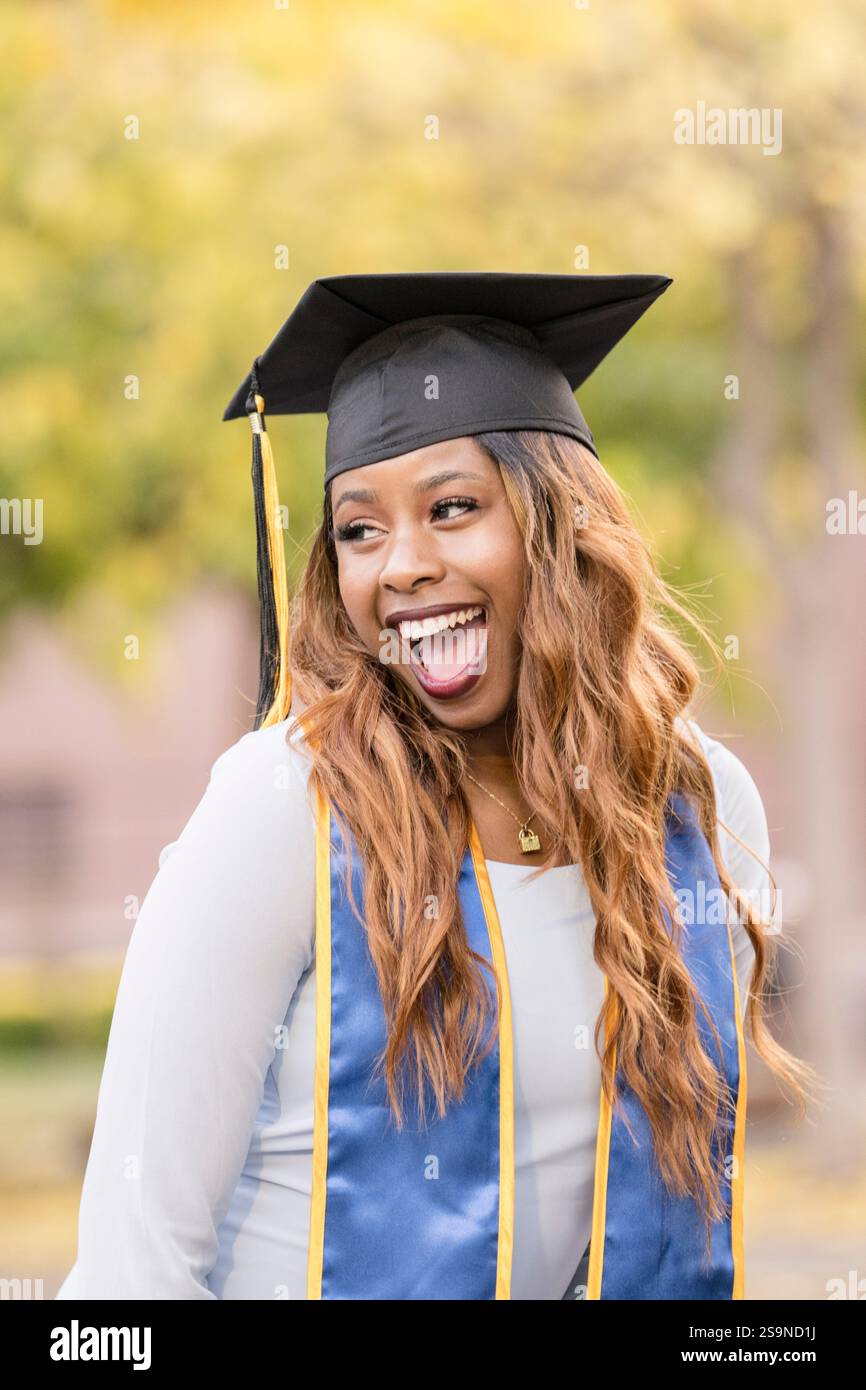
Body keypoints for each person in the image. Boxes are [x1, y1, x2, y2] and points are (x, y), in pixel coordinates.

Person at [56, 272, 814, 1301]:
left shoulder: (693, 807)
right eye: (360, 530)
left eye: (451, 509)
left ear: (560, 526)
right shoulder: (285, 808)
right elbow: (132, 1263)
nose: (401, 566)